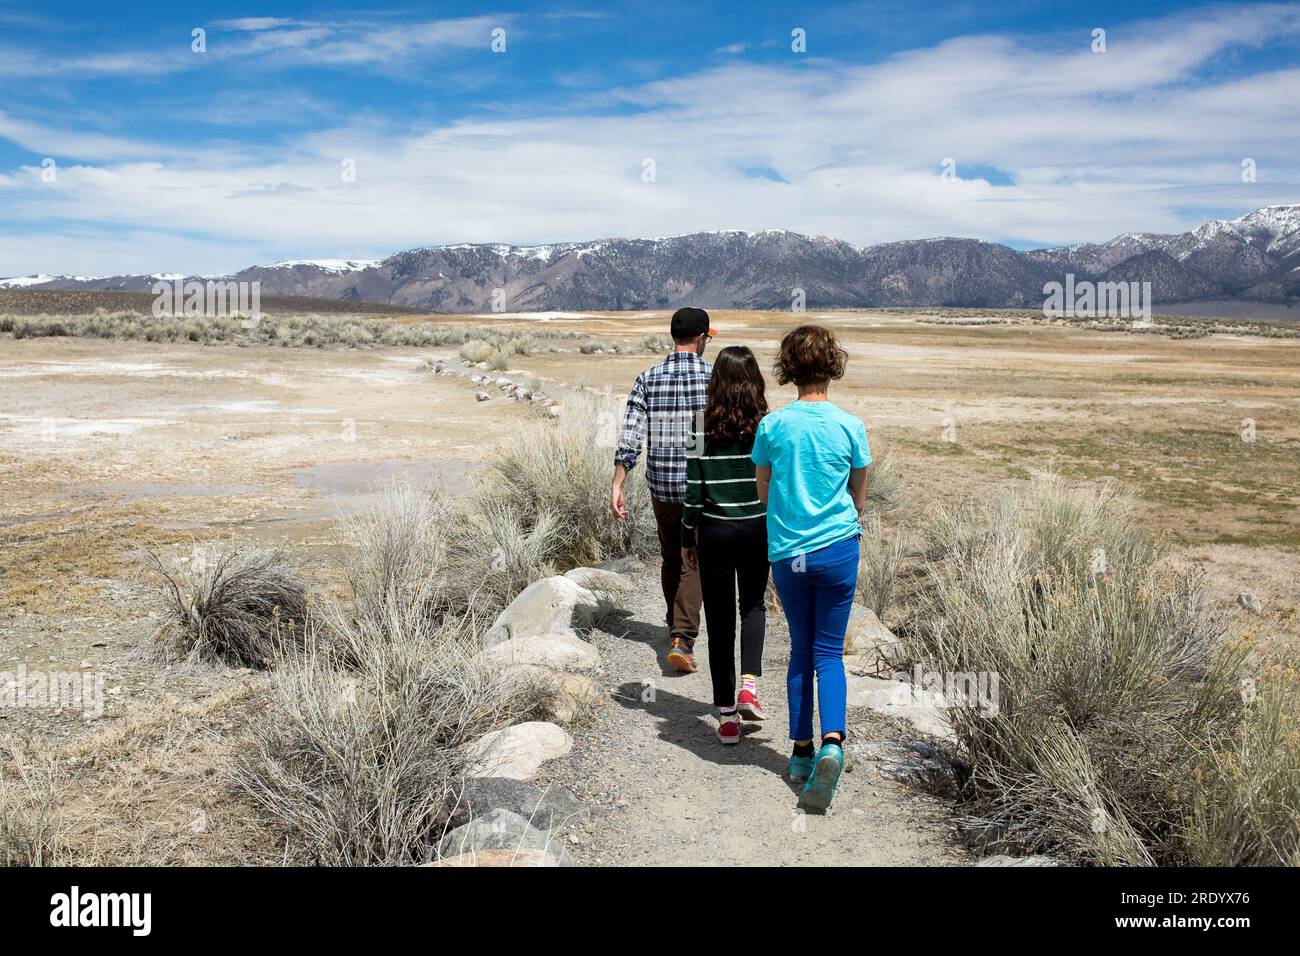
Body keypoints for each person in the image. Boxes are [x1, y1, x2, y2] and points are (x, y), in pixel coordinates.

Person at [752, 324, 870, 812]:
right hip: (838, 549)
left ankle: (800, 754)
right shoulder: (850, 426)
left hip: (789, 553)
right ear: (834, 365)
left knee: (800, 650)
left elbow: (763, 493)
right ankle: (833, 743)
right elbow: (858, 498)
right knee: (829, 652)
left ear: (788, 369)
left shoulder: (772, 427)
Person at [612, 307, 715, 673]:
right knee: (696, 559)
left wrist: (618, 481)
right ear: (701, 337)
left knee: (672, 555)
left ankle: (676, 627)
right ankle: (682, 638)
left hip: (663, 484)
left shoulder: (648, 378)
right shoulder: (715, 376)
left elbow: (631, 433)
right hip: (703, 485)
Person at [679, 346, 770, 744]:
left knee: (718, 620)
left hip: (715, 531)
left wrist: (687, 536)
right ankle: (749, 686)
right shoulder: (767, 425)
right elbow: (774, 482)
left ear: (715, 380)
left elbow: (693, 493)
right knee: (752, 605)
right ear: (754, 380)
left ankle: (728, 718)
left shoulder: (698, 426)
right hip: (757, 527)